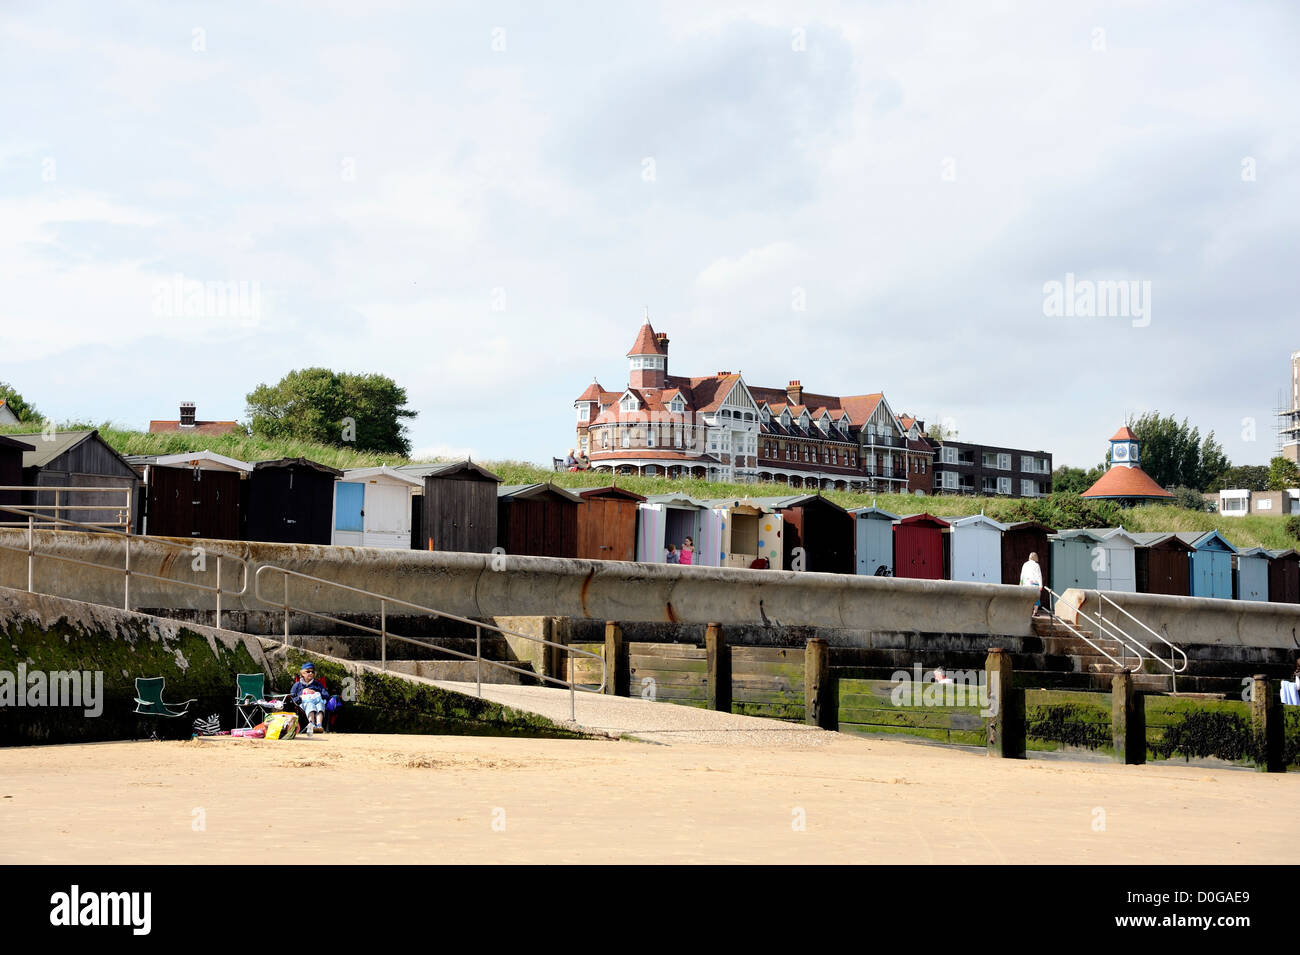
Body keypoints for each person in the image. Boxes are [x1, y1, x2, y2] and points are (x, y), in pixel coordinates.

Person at [290, 663, 330, 735]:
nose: (311, 673)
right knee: (310, 705)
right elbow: (292, 697)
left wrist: (316, 693)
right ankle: (312, 724)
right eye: (308, 671)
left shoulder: (317, 684)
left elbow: (326, 695)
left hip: (317, 701)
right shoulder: (297, 685)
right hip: (304, 703)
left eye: (312, 672)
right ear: (302, 673)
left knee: (320, 705)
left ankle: (319, 725)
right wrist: (300, 696)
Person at [1020, 552, 1046, 616]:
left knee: (1027, 598)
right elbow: (1038, 576)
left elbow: (1022, 575)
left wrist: (1021, 583)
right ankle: (1035, 612)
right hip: (1034, 584)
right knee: (1036, 598)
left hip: (1026, 584)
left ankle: (1026, 612)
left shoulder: (1025, 564)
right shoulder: (1036, 565)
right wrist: (1040, 585)